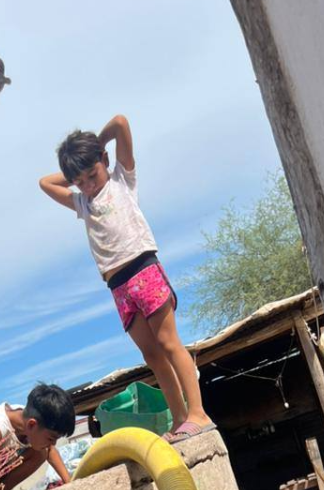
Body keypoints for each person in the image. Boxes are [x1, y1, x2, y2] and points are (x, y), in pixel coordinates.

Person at [40, 114, 214, 442]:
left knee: (168, 342)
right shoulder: (82, 202)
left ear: (104, 162)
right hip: (118, 287)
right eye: (81, 181)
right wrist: (75, 173)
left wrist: (98, 146)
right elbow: (45, 183)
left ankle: (198, 413)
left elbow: (120, 122)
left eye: (92, 174)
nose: (89, 184)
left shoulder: (122, 179)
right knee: (151, 355)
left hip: (143, 270)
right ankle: (179, 419)